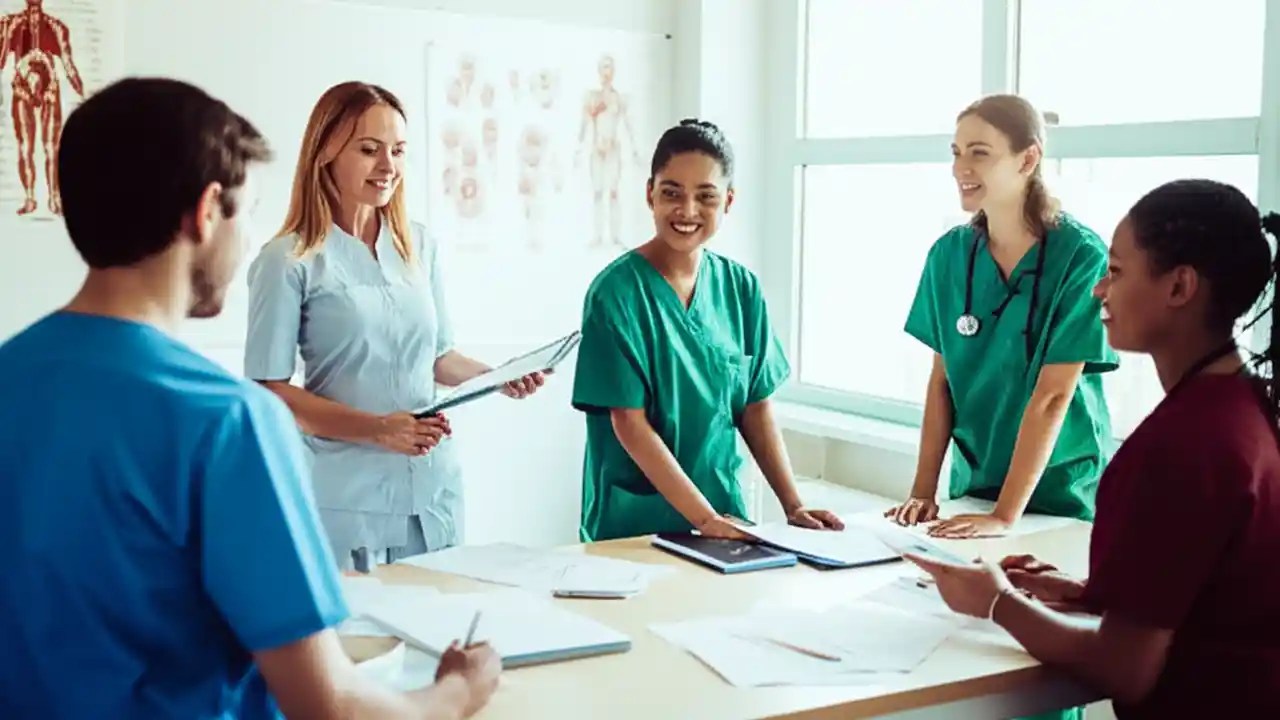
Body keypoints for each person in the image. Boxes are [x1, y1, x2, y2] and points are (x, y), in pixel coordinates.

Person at [0, 77, 499, 719]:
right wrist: (461, 690)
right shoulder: (227, 421)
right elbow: (330, 706)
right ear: (207, 212)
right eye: (246, 209)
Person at [905, 179, 1280, 718]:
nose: (1098, 290)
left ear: (1179, 288)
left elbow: (1125, 669)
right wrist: (1091, 593)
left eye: (1117, 272)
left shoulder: (1181, 448)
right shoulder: (1245, 407)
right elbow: (1213, 601)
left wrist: (995, 603)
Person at [246, 81, 548, 573]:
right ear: (325, 151)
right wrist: (378, 430)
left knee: (441, 632)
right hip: (347, 498)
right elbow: (268, 389)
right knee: (362, 643)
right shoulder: (288, 261)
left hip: (432, 490)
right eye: (369, 150)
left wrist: (498, 376)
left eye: (398, 151)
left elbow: (438, 356)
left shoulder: (418, 247)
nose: (388, 166)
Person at [571, 119, 843, 542]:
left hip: (724, 517)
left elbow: (755, 405)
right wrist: (704, 519)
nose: (688, 211)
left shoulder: (741, 289)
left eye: (706, 197)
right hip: (633, 527)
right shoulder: (616, 294)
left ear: (728, 201)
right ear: (650, 194)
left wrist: (794, 505)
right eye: (672, 193)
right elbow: (629, 422)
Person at [887, 94, 1118, 539]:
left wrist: (1004, 517)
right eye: (956, 153)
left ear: (1028, 158)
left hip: (1061, 494)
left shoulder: (1081, 257)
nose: (960, 168)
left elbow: (1054, 397)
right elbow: (942, 381)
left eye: (980, 153)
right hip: (977, 486)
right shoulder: (949, 255)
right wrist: (922, 492)